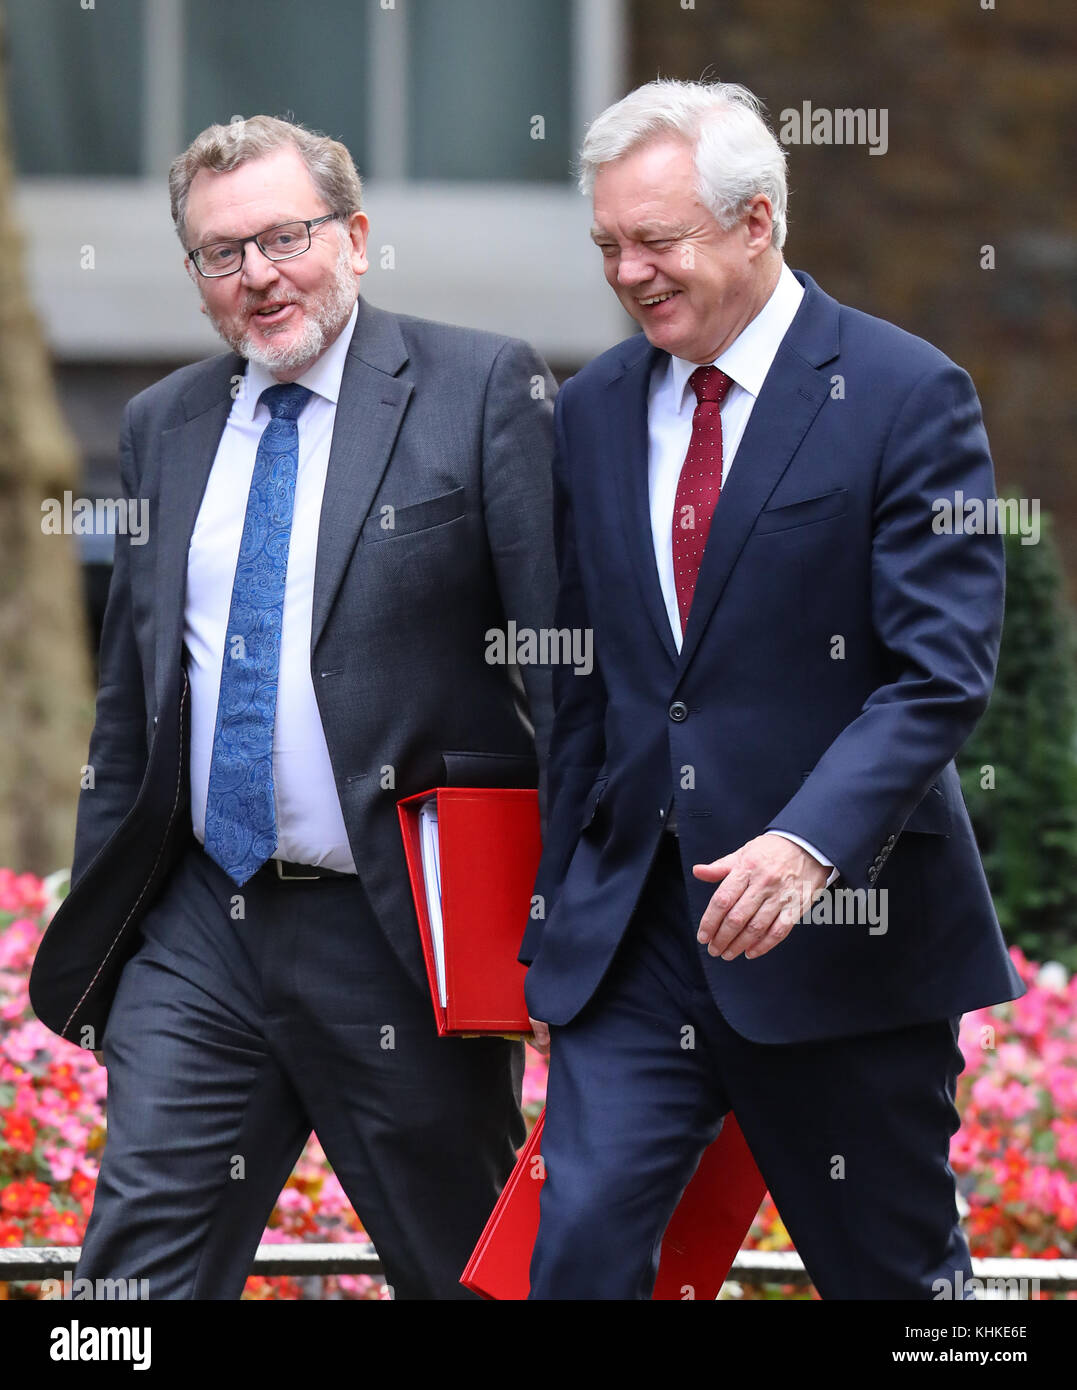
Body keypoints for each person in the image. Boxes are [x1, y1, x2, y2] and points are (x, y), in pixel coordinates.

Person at [30, 115, 556, 1300]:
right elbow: (131, 703)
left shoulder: (482, 387)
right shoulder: (162, 424)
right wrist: (114, 929)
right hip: (199, 926)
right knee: (126, 1287)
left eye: (285, 237)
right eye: (224, 253)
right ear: (198, 277)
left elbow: (567, 686)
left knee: (466, 1270)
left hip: (398, 933)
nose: (259, 274)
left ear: (356, 238)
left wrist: (563, 929)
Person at [520, 79, 1023, 1300]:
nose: (628, 272)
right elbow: (585, 689)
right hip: (640, 937)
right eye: (607, 246)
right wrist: (556, 916)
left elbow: (937, 671)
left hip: (841, 938)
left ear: (758, 223)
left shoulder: (908, 395)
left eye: (657, 240)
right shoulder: (589, 410)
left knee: (895, 1281)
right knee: (576, 1254)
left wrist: (807, 846)